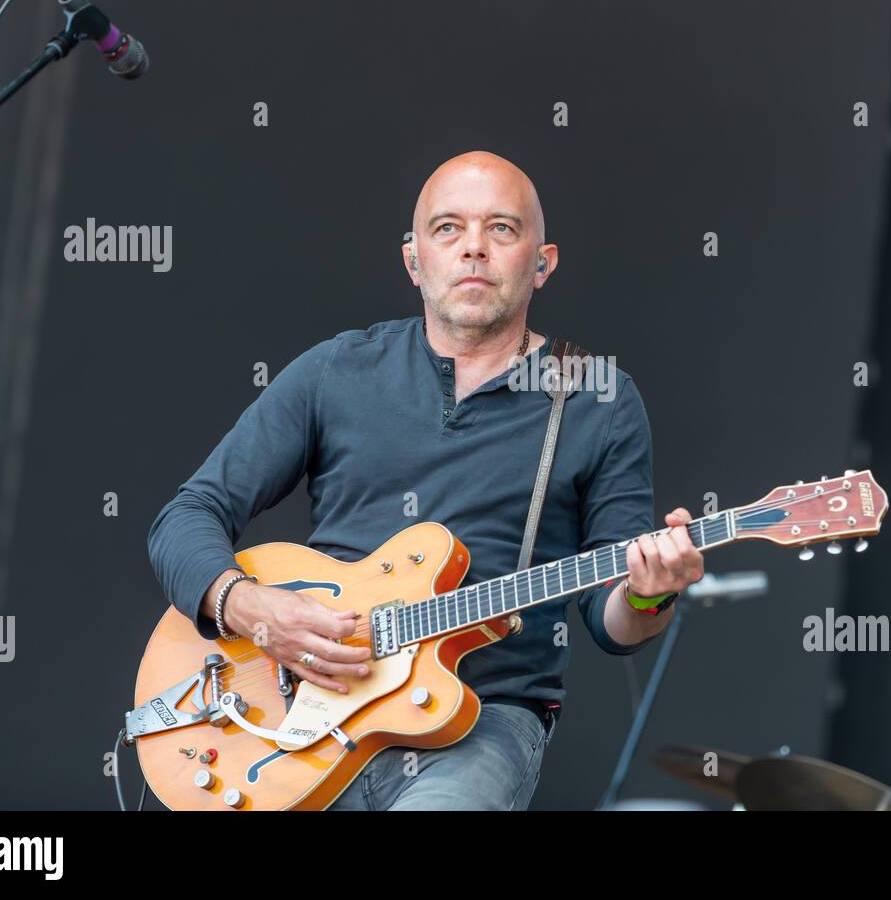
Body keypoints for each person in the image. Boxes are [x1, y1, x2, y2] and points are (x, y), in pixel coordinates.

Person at [146, 150, 705, 809]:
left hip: (477, 721)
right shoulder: (337, 369)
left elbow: (614, 622)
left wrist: (648, 595)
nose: (474, 248)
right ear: (414, 261)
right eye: (448, 229)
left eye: (501, 228)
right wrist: (250, 607)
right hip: (295, 711)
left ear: (542, 262)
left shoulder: (596, 399)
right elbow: (184, 519)